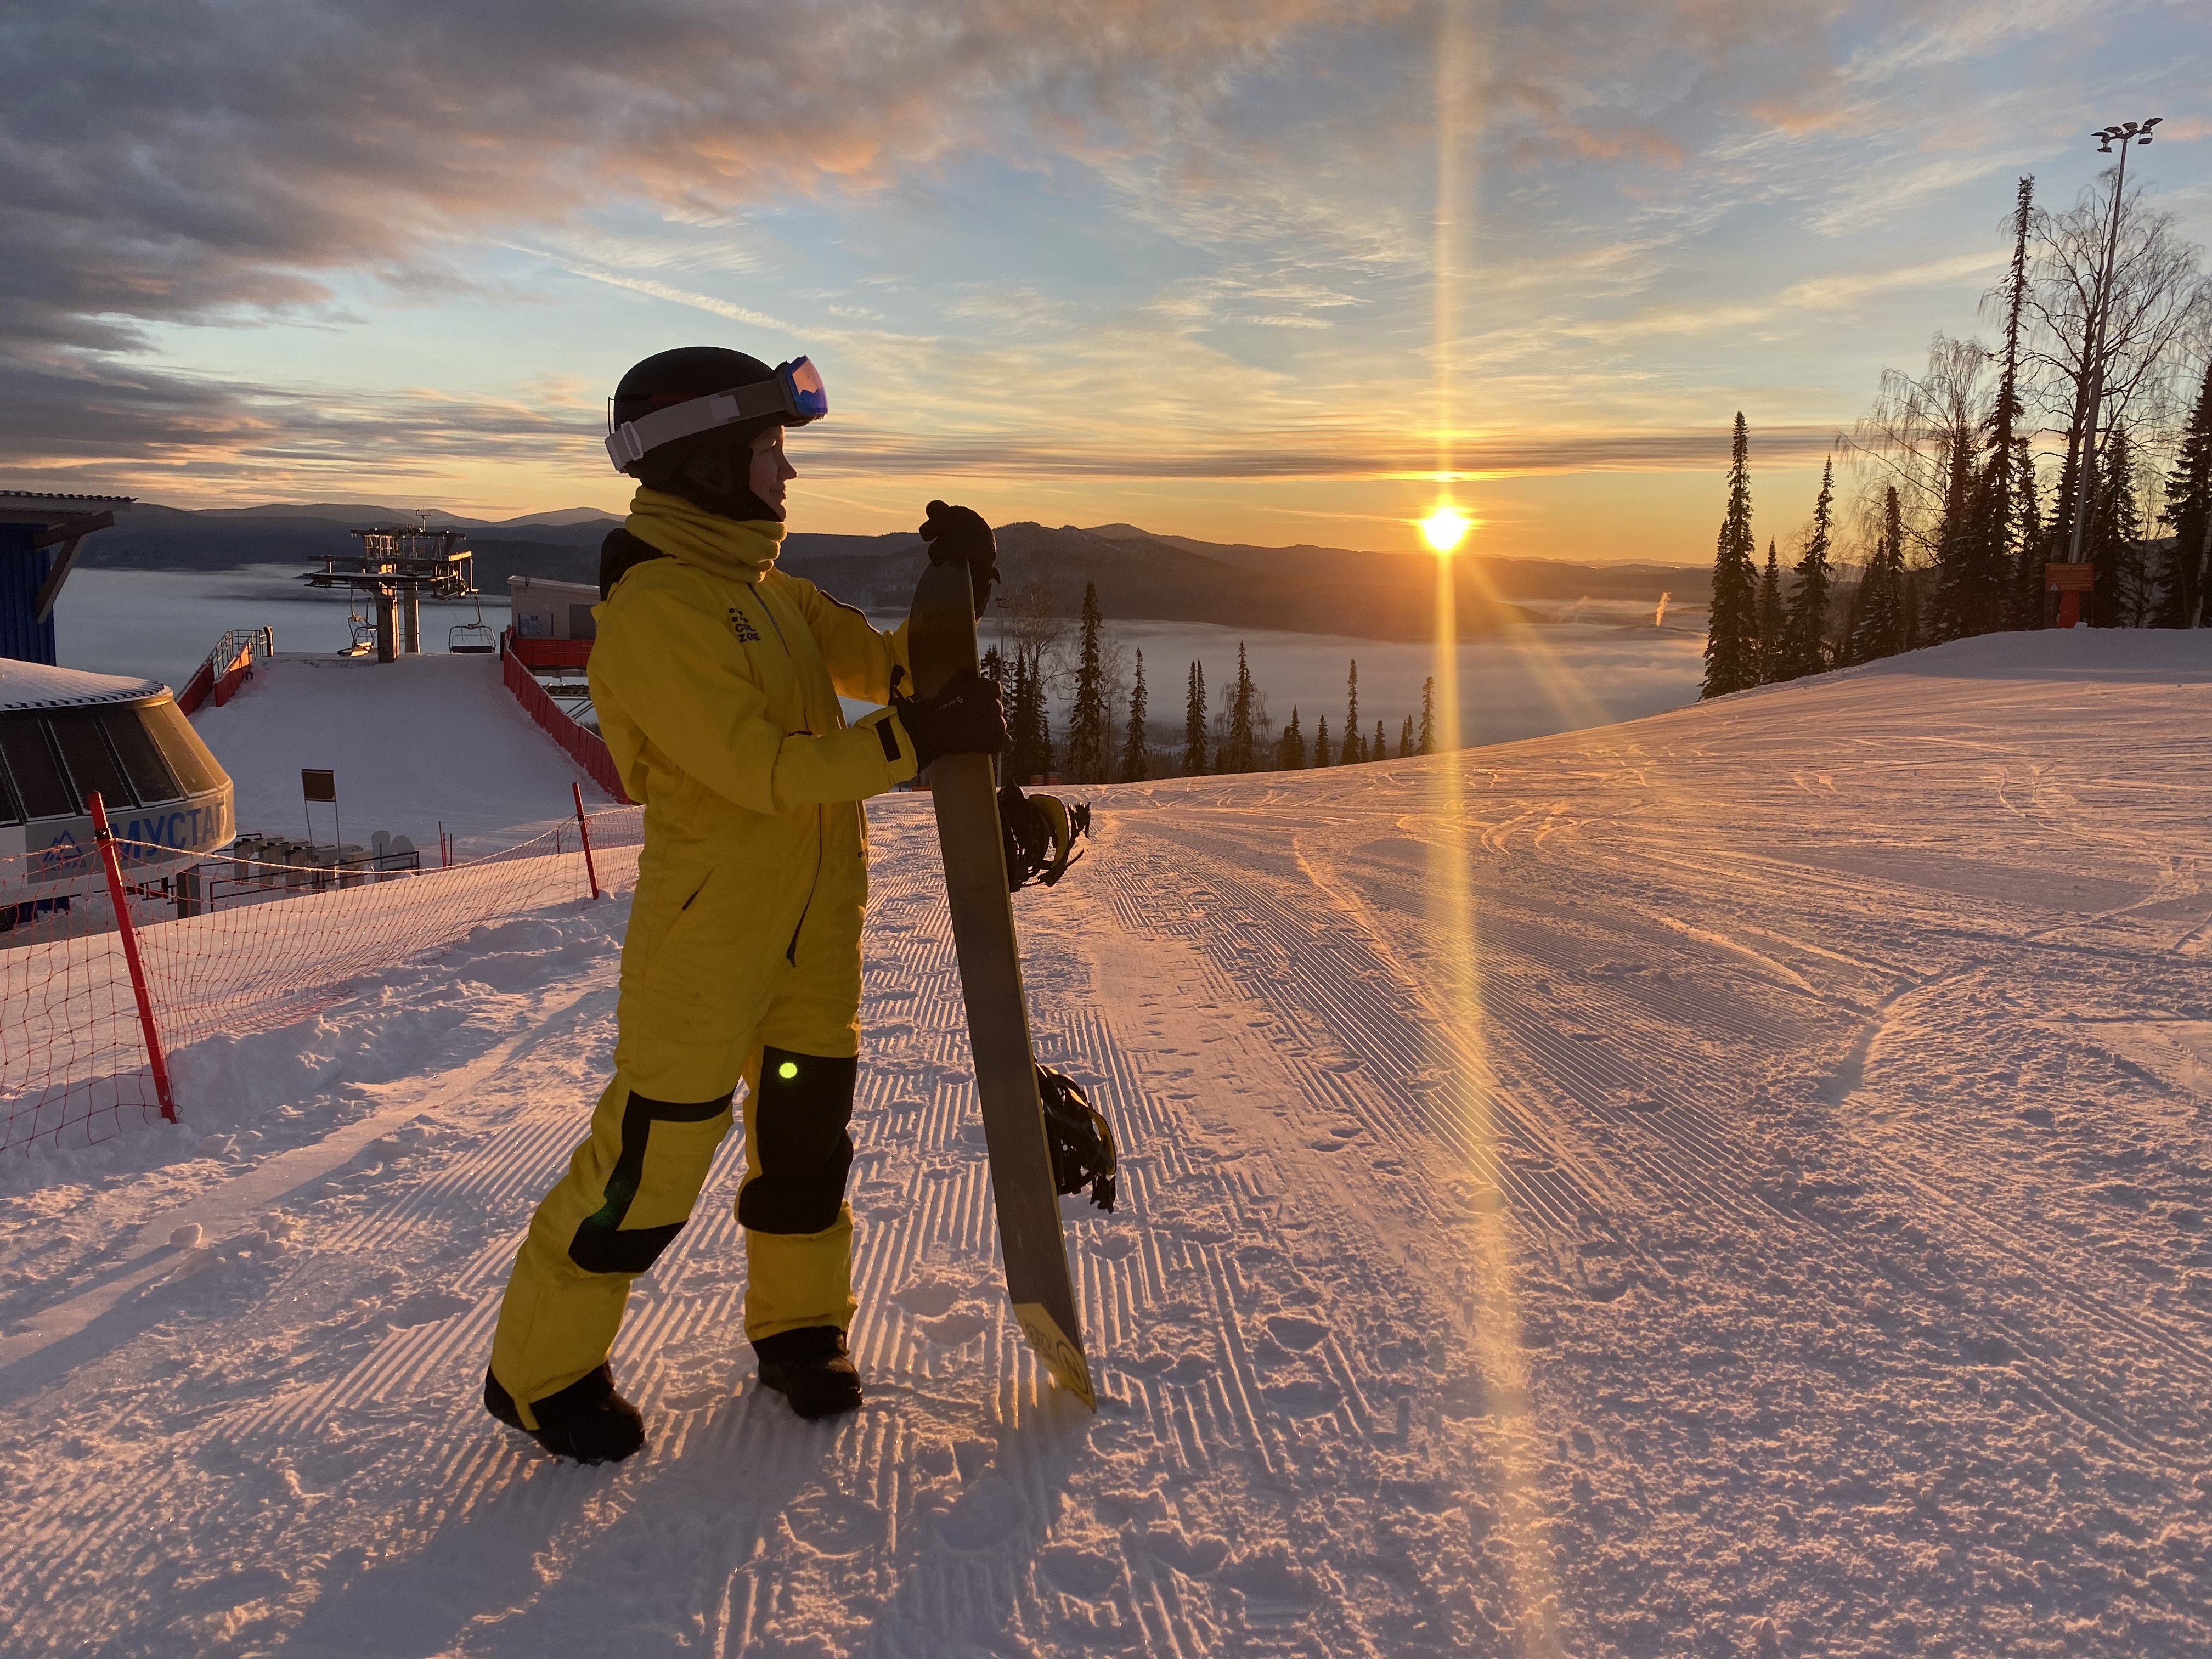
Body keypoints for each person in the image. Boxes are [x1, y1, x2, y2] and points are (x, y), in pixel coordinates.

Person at [483, 346, 1009, 1463]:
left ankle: (799, 1331)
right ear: (711, 462)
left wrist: (957, 589)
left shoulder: (767, 592)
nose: (787, 473)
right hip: (707, 946)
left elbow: (886, 668)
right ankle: (541, 1375)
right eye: (771, 451)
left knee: (805, 1144)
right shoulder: (659, 613)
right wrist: (914, 744)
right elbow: (761, 769)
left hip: (815, 933)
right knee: (650, 1170)